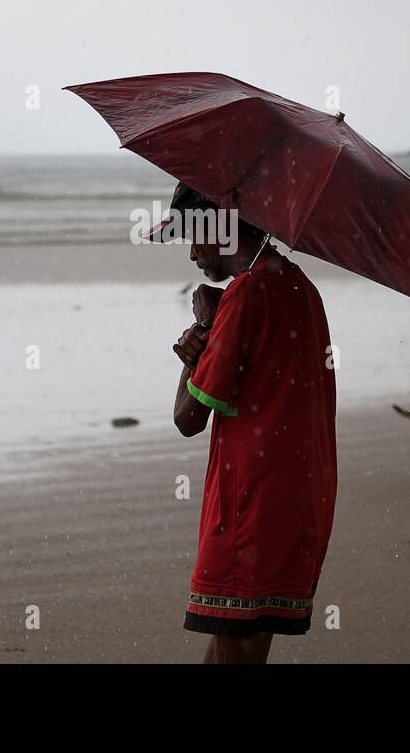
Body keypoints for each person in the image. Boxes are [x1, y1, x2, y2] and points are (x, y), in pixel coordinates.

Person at [166, 182, 338, 664]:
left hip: (249, 507)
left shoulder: (245, 294)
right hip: (299, 502)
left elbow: (188, 417)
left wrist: (198, 337)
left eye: (191, 235)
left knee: (234, 647)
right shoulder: (301, 286)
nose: (192, 253)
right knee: (235, 645)